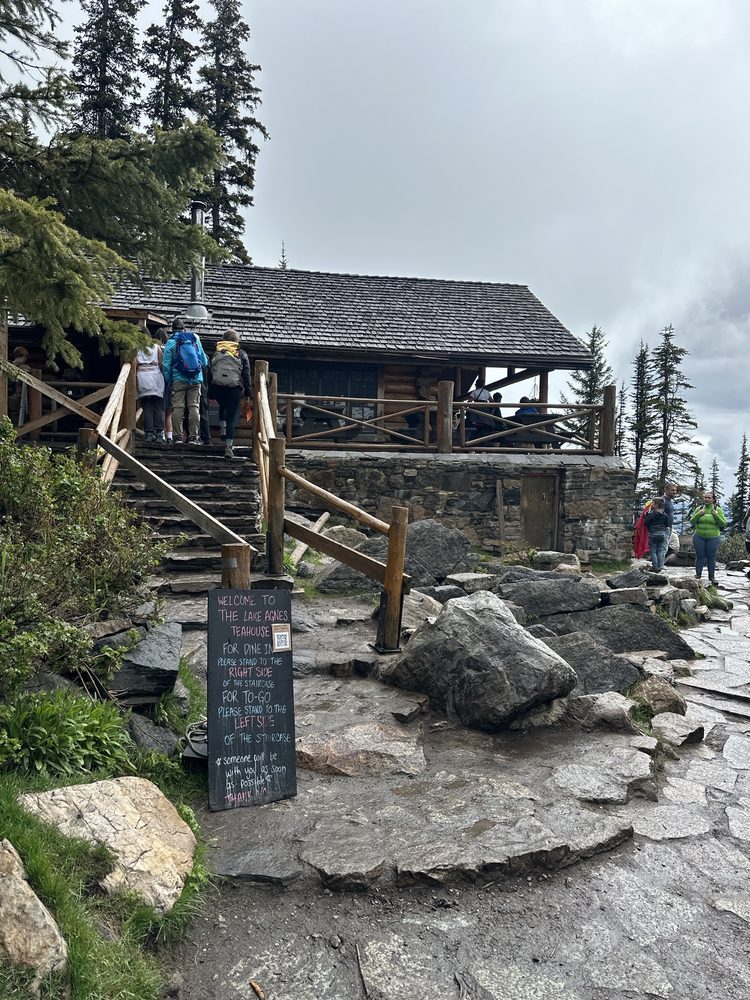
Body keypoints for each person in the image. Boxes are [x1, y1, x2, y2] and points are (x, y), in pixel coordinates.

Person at [161, 318, 208, 445]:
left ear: (172, 329)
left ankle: (177, 437)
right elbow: (204, 361)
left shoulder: (171, 342)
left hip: (178, 379)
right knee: (194, 407)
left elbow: (166, 365)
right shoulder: (195, 339)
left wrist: (170, 380)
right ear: (184, 328)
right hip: (195, 379)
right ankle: (194, 437)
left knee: (178, 408)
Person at [208, 328, 251, 458]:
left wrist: (210, 388)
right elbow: (246, 373)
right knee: (231, 417)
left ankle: (222, 428)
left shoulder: (217, 352)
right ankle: (228, 448)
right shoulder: (240, 353)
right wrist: (248, 392)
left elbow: (210, 370)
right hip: (234, 389)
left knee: (222, 406)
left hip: (217, 387)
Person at [690, 490, 727, 586]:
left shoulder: (718, 510)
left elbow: (723, 523)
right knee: (700, 556)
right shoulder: (699, 508)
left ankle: (712, 577)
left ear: (713, 500)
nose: (706, 499)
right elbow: (692, 522)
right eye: (705, 497)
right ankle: (698, 575)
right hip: (699, 536)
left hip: (713, 537)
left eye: (709, 498)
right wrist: (699, 514)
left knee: (711, 557)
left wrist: (716, 515)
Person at [135, 333, 166, 444]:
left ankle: (149, 433)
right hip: (156, 377)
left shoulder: (136, 347)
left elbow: (135, 364)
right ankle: (159, 434)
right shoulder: (156, 347)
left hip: (142, 377)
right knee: (158, 407)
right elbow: (162, 363)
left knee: (147, 406)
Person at [644, 497, 672, 571]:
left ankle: (655, 566)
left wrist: (645, 516)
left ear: (656, 505)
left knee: (653, 551)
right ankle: (660, 565)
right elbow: (667, 525)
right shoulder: (664, 515)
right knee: (660, 551)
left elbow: (646, 523)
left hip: (653, 534)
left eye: (652, 503)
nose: (651, 504)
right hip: (662, 534)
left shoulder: (652, 514)